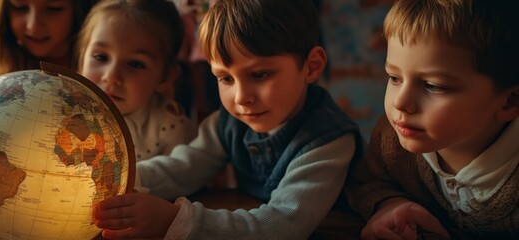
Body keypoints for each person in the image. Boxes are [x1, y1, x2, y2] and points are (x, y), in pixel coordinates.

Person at [92, 0, 363, 239]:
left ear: (312, 66)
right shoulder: (229, 123)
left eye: (259, 75)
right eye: (225, 78)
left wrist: (173, 220)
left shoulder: (329, 140)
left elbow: (280, 226)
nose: (241, 97)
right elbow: (183, 167)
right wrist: (119, 179)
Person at [345, 0, 519, 238]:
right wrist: (389, 204)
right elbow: (368, 180)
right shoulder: (392, 139)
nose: (400, 103)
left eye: (432, 85)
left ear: (510, 102)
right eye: (394, 78)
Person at [76, 0, 197, 161]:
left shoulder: (170, 128)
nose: (111, 76)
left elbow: (181, 181)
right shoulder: (60, 109)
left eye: (135, 64)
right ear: (81, 59)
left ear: (165, 76)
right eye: (101, 57)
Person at [0, 0, 96, 77]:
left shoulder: (99, 74)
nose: (33, 26)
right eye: (21, 7)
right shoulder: (9, 69)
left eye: (53, 8)